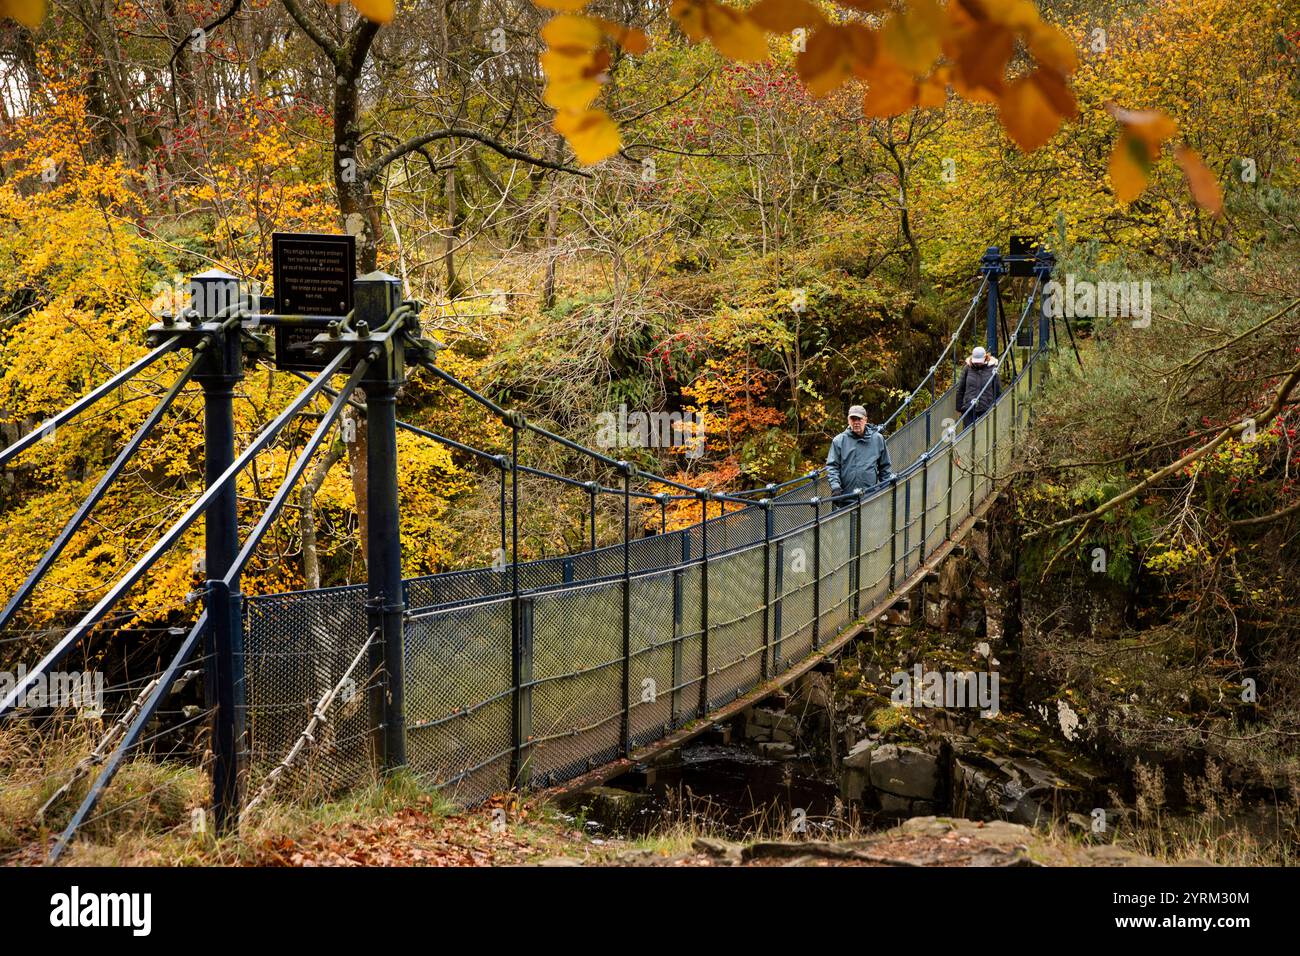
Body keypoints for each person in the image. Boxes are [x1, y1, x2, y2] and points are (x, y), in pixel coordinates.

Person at [826, 405, 894, 507]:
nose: (856, 422)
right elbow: (832, 467)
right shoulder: (839, 441)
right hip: (846, 498)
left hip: (871, 497)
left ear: (865, 420)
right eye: (853, 419)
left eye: (859, 419)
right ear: (848, 420)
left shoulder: (878, 439)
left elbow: (885, 467)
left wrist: (886, 491)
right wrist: (835, 487)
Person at [956, 346, 1000, 428]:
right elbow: (960, 389)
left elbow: (997, 390)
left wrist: (995, 406)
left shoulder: (992, 369)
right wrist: (959, 408)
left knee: (984, 433)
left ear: (985, 358)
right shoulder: (967, 368)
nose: (977, 363)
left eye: (979, 361)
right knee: (967, 434)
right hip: (968, 407)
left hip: (986, 407)